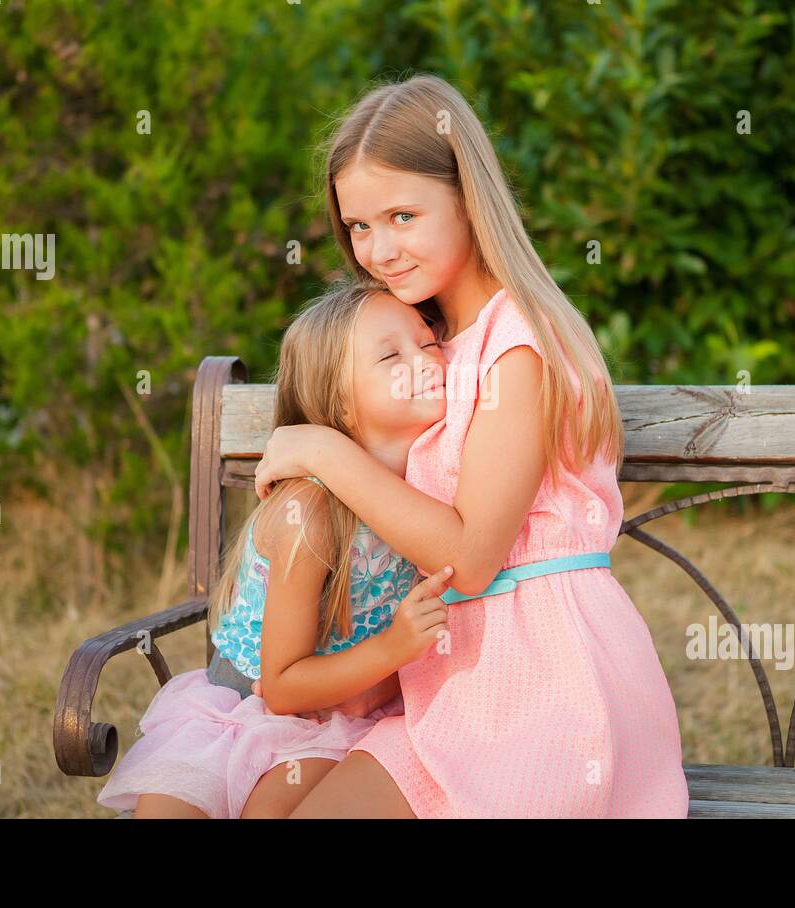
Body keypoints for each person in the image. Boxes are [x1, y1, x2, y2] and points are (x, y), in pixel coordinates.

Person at [254, 73, 690, 818]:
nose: (379, 249)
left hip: (547, 679)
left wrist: (324, 453)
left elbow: (473, 556)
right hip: (448, 682)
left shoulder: (517, 346)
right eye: (359, 226)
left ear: (467, 196)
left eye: (401, 215)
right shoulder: (431, 348)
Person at [97, 278, 454, 818]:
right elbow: (282, 689)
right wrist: (393, 649)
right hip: (247, 708)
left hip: (341, 723)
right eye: (390, 355)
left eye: (428, 343)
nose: (423, 359)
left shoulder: (435, 490)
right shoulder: (310, 514)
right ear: (339, 401)